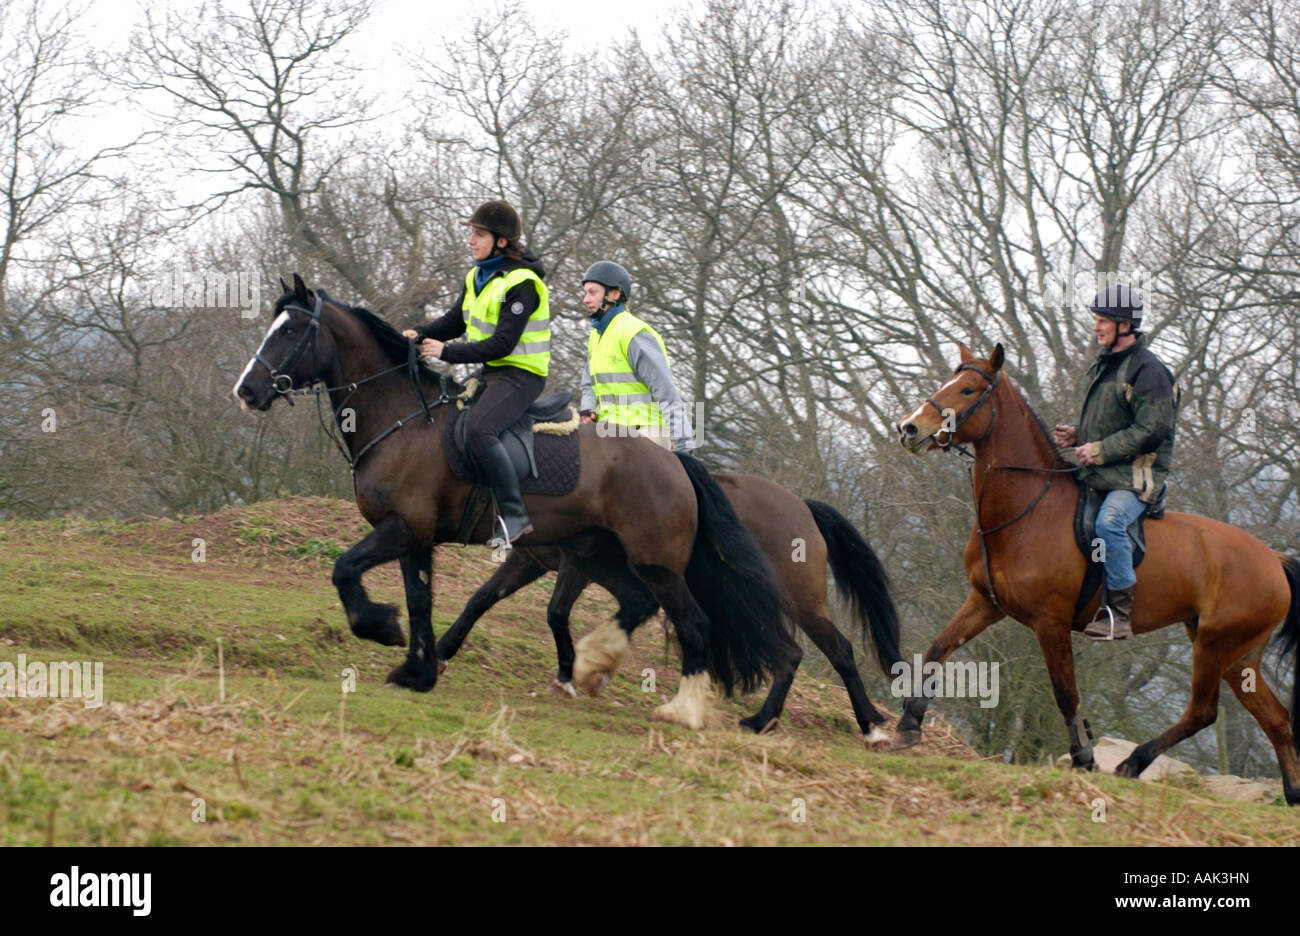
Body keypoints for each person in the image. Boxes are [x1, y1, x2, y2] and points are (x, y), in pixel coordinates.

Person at [402, 200, 550, 550]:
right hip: (492, 375)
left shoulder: (523, 283)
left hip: (521, 376)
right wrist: (419, 333)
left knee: (481, 428)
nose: (471, 240)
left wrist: (447, 352)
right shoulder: (477, 276)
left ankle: (515, 516)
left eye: (479, 234)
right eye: (471, 233)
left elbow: (502, 343)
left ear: (501, 241)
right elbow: (454, 321)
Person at [1053, 285, 1178, 640]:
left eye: (1102, 320)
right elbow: (1114, 422)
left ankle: (1119, 613)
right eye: (1096, 319)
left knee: (1109, 524)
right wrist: (1078, 436)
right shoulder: (1105, 365)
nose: (1096, 327)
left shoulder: (1148, 370)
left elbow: (1151, 430)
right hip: (1104, 470)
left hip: (1137, 476)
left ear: (1126, 325)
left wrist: (1099, 450)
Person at [578, 261, 694, 453]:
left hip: (645, 435)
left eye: (592, 292)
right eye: (585, 293)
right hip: (610, 435)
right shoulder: (596, 336)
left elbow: (666, 391)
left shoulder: (634, 333)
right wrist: (587, 409)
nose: (585, 299)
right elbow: (589, 383)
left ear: (614, 294)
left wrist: (684, 445)